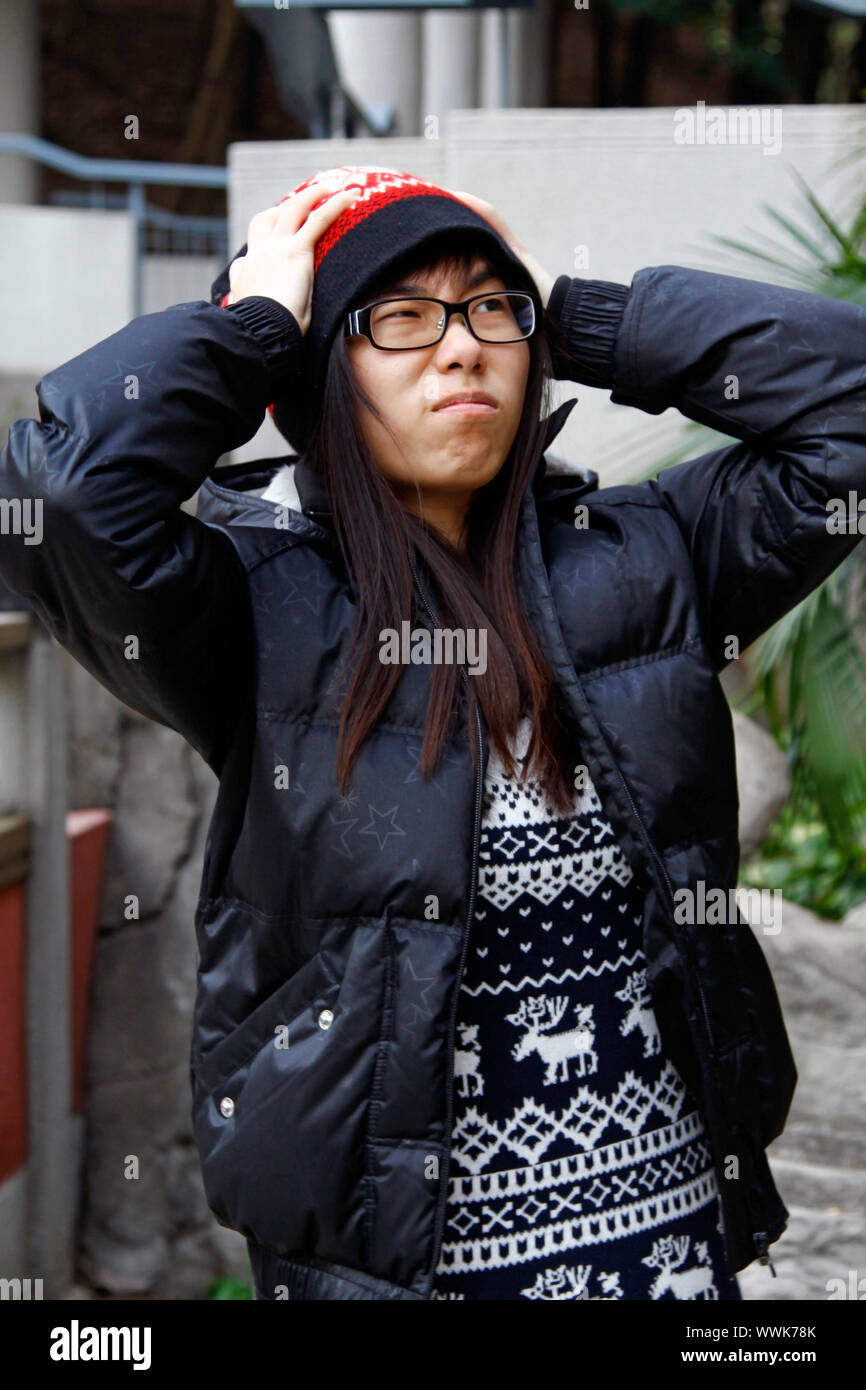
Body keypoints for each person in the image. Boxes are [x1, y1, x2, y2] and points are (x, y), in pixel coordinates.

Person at [1, 164, 863, 1301]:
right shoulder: (255, 610)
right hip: (404, 1277)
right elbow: (63, 499)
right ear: (319, 370)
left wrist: (576, 308)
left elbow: (846, 410)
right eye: (399, 318)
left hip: (671, 1259)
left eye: (487, 309)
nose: (460, 348)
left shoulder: (650, 557)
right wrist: (253, 327)